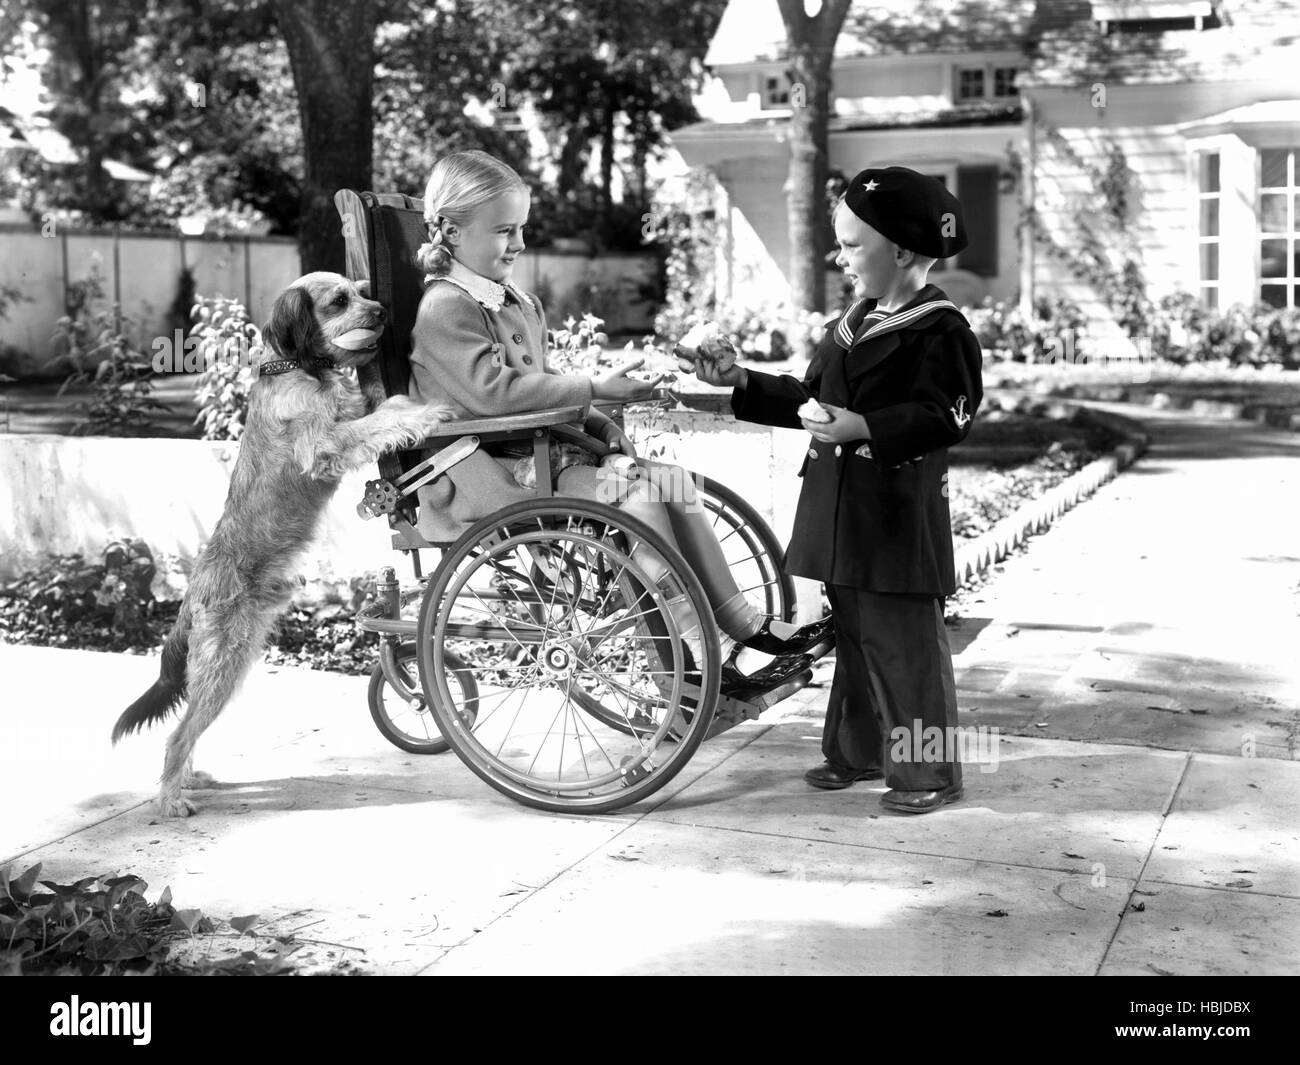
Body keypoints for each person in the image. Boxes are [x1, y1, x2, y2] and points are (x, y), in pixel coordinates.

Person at [405, 150, 829, 698]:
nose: (519, 244)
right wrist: (594, 389)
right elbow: (493, 394)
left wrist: (599, 419)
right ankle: (696, 654)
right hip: (485, 476)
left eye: (521, 229)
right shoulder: (446, 308)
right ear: (453, 233)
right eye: (505, 231)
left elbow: (541, 381)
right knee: (637, 498)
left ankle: (747, 624)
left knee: (674, 482)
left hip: (538, 455)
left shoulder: (514, 302)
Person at [684, 166, 983, 814]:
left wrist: (867, 426)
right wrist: (738, 378)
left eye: (852, 246)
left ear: (901, 250)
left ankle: (928, 770)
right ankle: (856, 749)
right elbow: (809, 397)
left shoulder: (941, 331)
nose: (840, 259)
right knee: (853, 638)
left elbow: (949, 415)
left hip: (895, 518)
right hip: (839, 516)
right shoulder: (856, 321)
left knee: (905, 649)